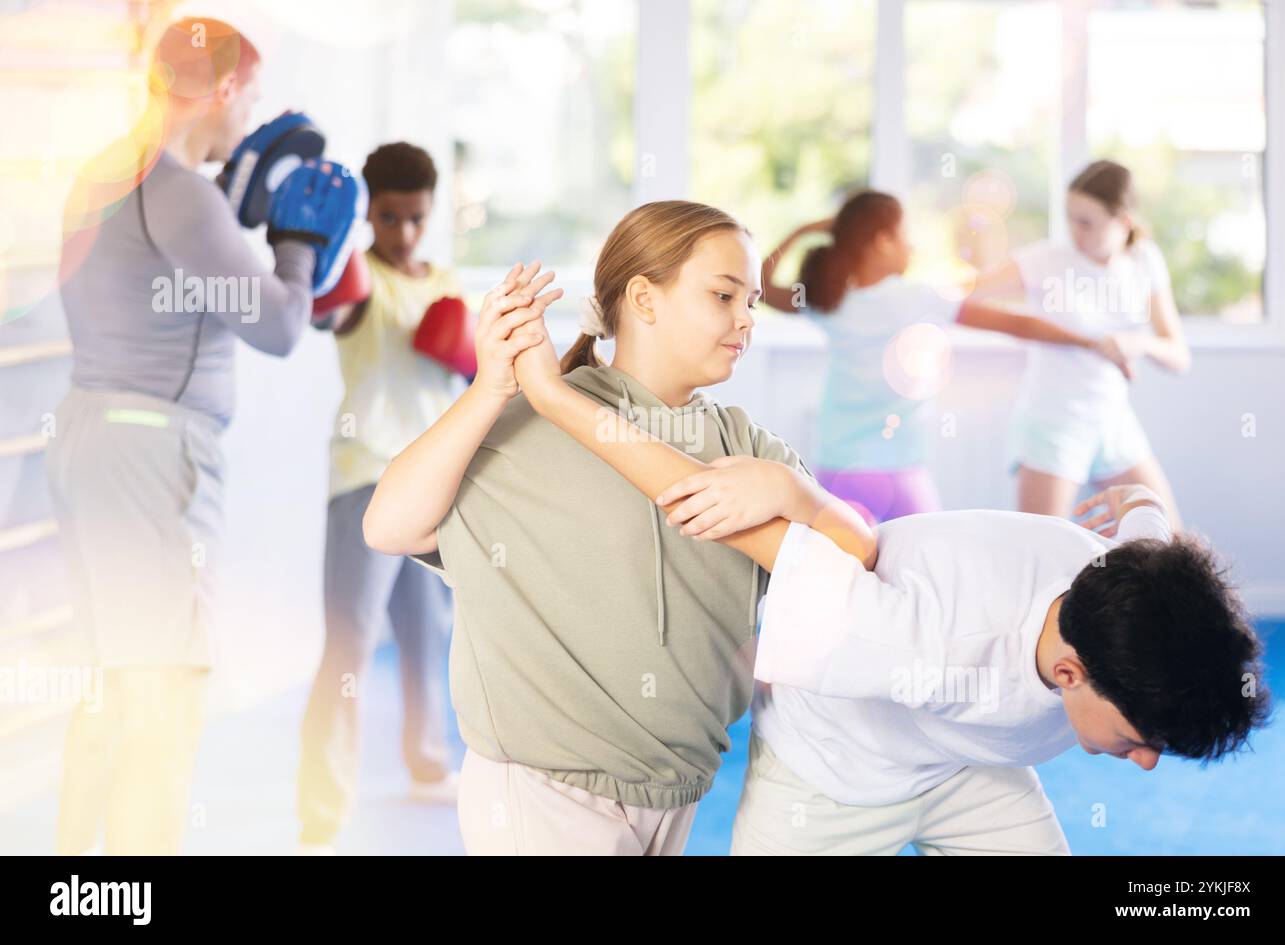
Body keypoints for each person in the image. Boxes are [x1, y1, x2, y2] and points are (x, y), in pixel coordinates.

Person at [502, 316, 1271, 857]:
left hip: (967, 762)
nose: (1143, 761)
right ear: (1070, 671)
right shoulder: (924, 640)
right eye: (1143, 740)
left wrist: (1141, 504)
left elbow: (1158, 532)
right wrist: (555, 397)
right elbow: (716, 511)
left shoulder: (1137, 582)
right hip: (835, 771)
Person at [363, 201, 872, 855]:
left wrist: (793, 490)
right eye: (723, 295)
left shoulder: (747, 445)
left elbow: (857, 556)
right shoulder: (527, 424)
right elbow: (388, 525)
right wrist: (491, 389)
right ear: (644, 298)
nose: (747, 318)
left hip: (675, 790)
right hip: (542, 792)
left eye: (750, 299)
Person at [47, 18, 354, 854]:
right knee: (165, 700)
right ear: (224, 90)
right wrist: (295, 244)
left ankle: (80, 886)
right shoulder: (179, 193)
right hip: (152, 459)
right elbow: (281, 326)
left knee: (111, 685)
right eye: (247, 97)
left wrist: (240, 206)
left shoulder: (108, 170)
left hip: (89, 434)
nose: (249, 116)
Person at [761, 190, 1136, 524]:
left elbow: (760, 283)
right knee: (925, 574)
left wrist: (806, 230)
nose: (913, 248)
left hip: (838, 466)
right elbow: (1014, 324)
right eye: (905, 238)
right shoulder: (919, 299)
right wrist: (1088, 341)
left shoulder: (828, 302)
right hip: (900, 468)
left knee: (844, 570)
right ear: (881, 242)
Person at [297, 142, 463, 854]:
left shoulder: (448, 284)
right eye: (389, 217)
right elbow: (327, 315)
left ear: (431, 211)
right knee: (350, 643)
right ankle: (322, 810)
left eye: (415, 218)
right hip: (365, 478)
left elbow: (473, 378)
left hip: (433, 487)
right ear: (369, 210)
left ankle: (429, 763)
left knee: (431, 637)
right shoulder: (357, 277)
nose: (403, 232)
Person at [970, 160, 1191, 523]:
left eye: (1087, 222)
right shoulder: (1046, 261)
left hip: (1114, 422)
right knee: (1044, 549)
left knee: (1168, 538)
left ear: (1124, 222)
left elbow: (1179, 357)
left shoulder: (1145, 261)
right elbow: (968, 295)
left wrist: (1140, 343)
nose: (1074, 231)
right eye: (1070, 218)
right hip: (1054, 422)